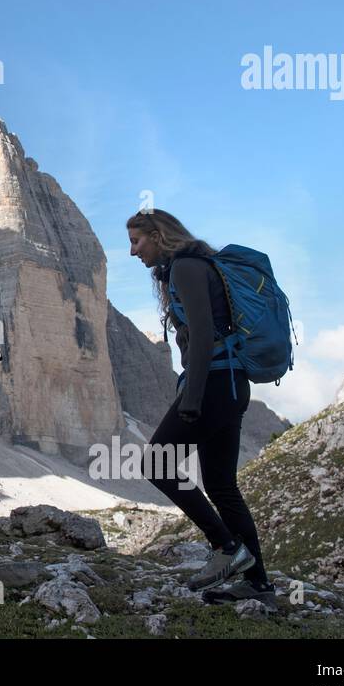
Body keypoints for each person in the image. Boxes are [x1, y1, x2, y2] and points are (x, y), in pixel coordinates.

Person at [127, 209, 275, 610]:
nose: (132, 251)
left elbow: (204, 330)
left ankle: (226, 546)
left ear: (158, 236)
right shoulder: (197, 264)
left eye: (137, 241)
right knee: (222, 486)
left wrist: (190, 398)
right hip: (230, 385)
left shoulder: (187, 267)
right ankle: (258, 585)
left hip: (212, 384)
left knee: (155, 464)